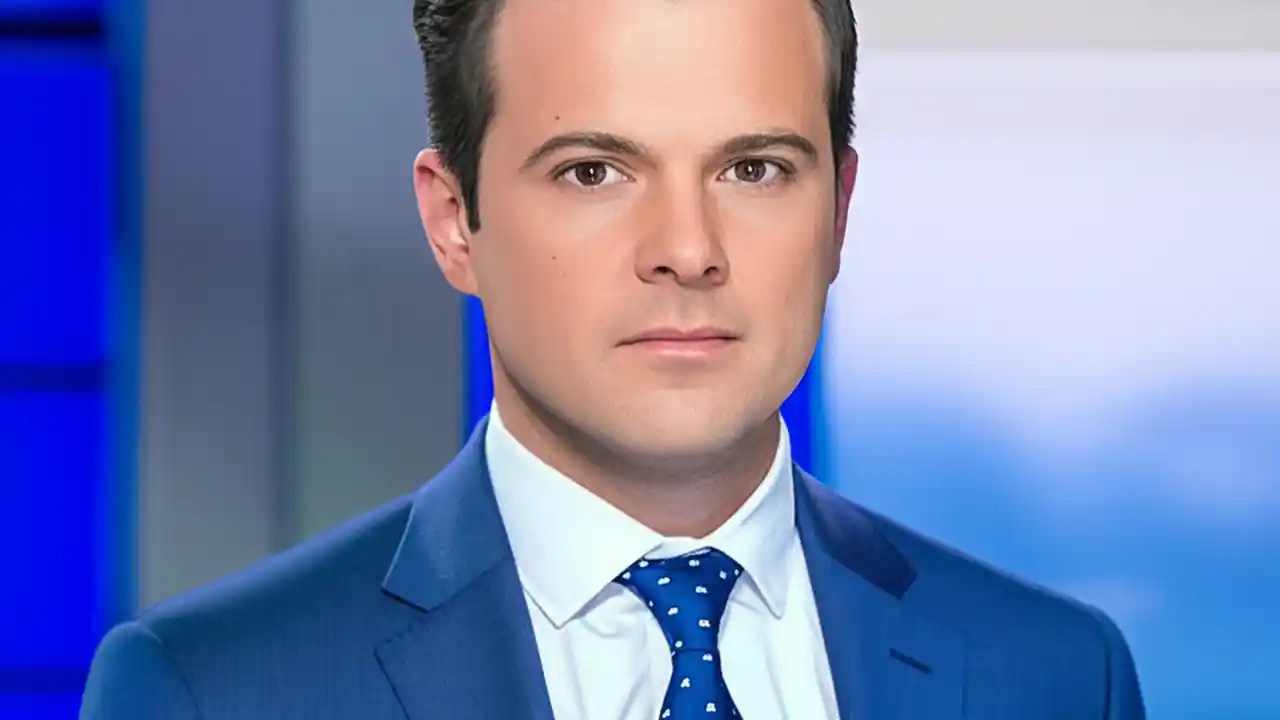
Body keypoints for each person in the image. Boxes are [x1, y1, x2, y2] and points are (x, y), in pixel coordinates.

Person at [80, 0, 1147, 716]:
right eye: (594, 172)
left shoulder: (1052, 675)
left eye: (754, 169)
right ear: (454, 222)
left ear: (838, 212)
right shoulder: (214, 691)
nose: (687, 249)